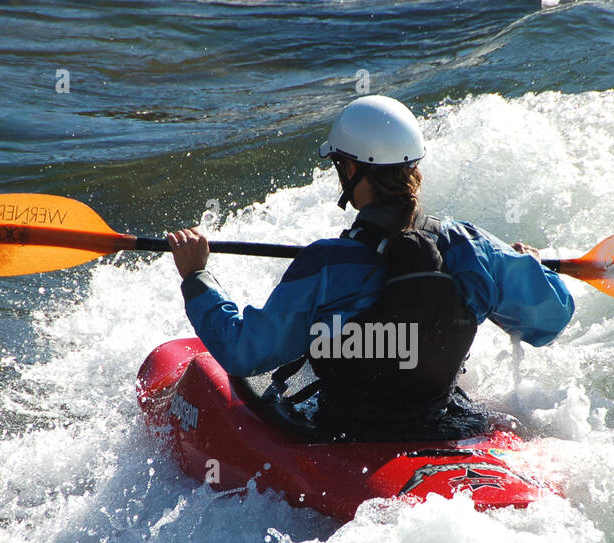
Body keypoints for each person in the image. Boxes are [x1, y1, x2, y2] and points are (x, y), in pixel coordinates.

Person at [166, 94, 574, 441]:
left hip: (346, 433)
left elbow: (242, 352)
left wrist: (197, 277)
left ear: (353, 169)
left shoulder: (325, 264)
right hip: (436, 424)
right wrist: (532, 268)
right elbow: (551, 318)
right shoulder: (468, 247)